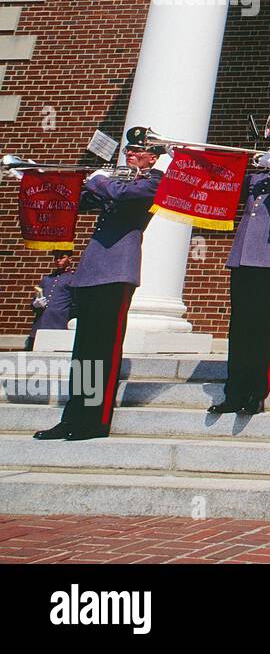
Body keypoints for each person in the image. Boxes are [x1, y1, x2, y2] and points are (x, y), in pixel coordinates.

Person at [33, 132, 164, 441]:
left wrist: (99, 178)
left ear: (153, 157)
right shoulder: (116, 182)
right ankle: (73, 416)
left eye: (138, 150)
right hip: (92, 271)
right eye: (129, 149)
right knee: (84, 352)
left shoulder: (153, 181)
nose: (130, 154)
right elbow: (77, 200)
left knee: (104, 350)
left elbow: (121, 195)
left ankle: (94, 420)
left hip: (118, 272)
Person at [209, 130, 270, 416]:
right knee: (240, 328)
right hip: (242, 258)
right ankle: (233, 391)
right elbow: (224, 183)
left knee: (260, 327)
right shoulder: (257, 178)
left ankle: (256, 392)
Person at [28, 250, 77, 351]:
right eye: (56, 258)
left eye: (62, 257)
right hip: (41, 323)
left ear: (70, 259)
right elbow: (35, 299)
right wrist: (35, 304)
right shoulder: (47, 279)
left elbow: (76, 302)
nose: (58, 261)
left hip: (60, 323)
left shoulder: (73, 278)